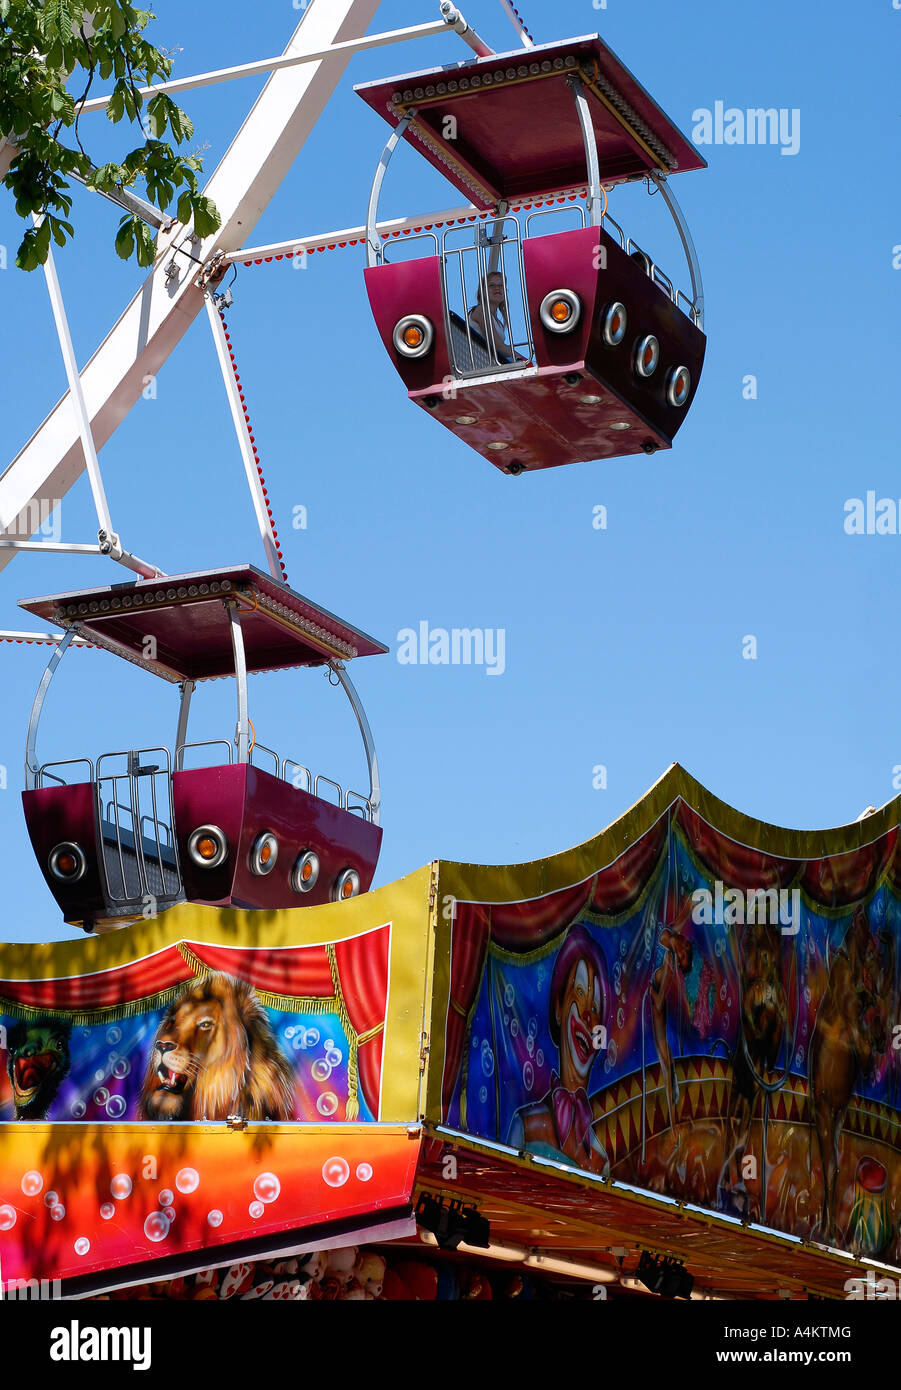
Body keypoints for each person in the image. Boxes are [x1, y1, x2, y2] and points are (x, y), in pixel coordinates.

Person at [507, 925, 611, 1176]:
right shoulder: (527, 1125)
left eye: (595, 1008)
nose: (587, 1015)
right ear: (558, 1008)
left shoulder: (600, 1159)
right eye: (579, 993)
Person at [468, 271, 512, 360]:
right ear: (483, 292)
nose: (497, 288)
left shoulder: (499, 323)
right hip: (479, 362)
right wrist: (524, 360)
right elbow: (498, 346)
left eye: (501, 285)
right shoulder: (480, 311)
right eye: (492, 285)